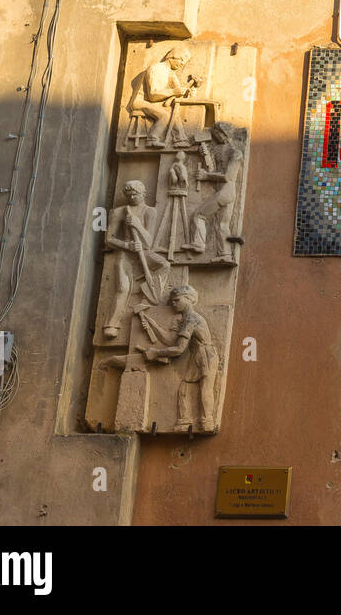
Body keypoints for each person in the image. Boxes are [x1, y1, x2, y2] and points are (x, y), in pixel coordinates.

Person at [140, 284, 219, 432]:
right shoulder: (185, 318)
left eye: (176, 300)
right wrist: (152, 324)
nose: (173, 304)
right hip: (198, 355)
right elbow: (171, 341)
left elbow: (179, 349)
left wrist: (156, 353)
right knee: (184, 388)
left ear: (188, 299)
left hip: (205, 355)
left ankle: (207, 421)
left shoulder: (192, 318)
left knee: (205, 388)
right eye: (172, 301)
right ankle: (185, 421)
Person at [102, 180, 168, 339]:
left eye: (136, 194)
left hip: (144, 254)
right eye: (129, 195)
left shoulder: (150, 212)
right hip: (126, 254)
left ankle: (146, 292)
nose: (132, 198)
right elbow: (108, 239)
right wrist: (127, 245)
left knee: (164, 264)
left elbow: (148, 242)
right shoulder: (119, 212)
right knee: (123, 288)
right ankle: (112, 323)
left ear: (143, 194)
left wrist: (138, 225)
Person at [190, 122, 245, 262]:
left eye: (218, 134)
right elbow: (213, 169)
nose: (216, 136)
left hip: (226, 191)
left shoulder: (236, 153)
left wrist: (206, 176)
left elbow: (228, 176)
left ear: (225, 134)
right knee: (221, 224)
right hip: (224, 191)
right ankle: (225, 255)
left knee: (199, 215)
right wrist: (205, 156)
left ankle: (199, 244)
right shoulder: (218, 150)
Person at [126, 45, 200, 148]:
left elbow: (178, 94)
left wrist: (191, 90)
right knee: (164, 115)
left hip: (157, 102)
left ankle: (179, 140)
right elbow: (152, 95)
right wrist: (174, 91)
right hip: (141, 101)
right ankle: (152, 139)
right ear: (171, 57)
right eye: (181, 60)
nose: (182, 64)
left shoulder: (171, 74)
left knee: (174, 111)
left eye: (184, 62)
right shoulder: (155, 69)